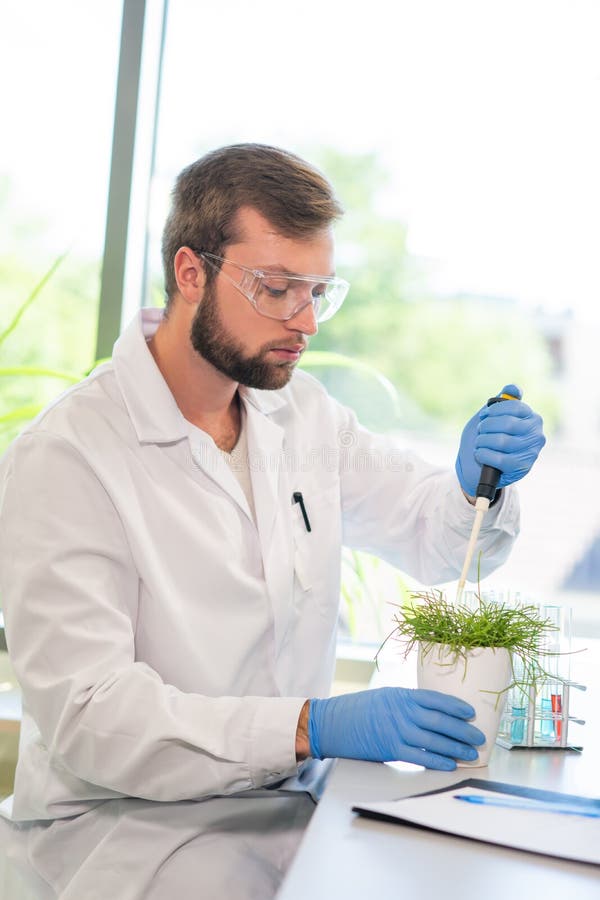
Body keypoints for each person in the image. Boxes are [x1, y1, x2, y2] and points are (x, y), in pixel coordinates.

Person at [0, 144, 545, 899]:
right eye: (278, 288)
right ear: (192, 273)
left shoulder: (303, 416)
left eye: (319, 290)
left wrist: (476, 484)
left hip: (292, 808)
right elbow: (93, 719)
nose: (307, 321)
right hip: (128, 834)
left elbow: (437, 537)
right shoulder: (66, 457)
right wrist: (307, 727)